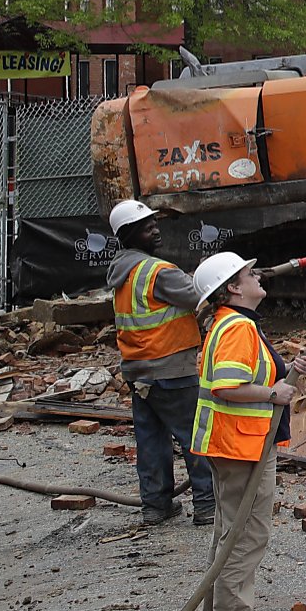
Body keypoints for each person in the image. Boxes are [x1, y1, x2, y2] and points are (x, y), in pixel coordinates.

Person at [189, 252, 297, 611]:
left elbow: (246, 374)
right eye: (250, 274)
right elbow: (228, 386)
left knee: (229, 531)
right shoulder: (237, 326)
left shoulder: (235, 322)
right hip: (241, 448)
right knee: (245, 535)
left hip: (236, 445)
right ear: (233, 287)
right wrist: (273, 393)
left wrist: (288, 370)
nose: (258, 276)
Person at [106, 199, 215, 527]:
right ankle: (207, 505)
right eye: (147, 228)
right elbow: (199, 294)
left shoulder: (123, 271)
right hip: (170, 368)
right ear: (128, 235)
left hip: (138, 371)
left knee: (151, 440)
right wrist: (221, 275)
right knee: (195, 435)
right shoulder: (157, 271)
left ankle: (155, 506)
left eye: (155, 225)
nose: (155, 231)